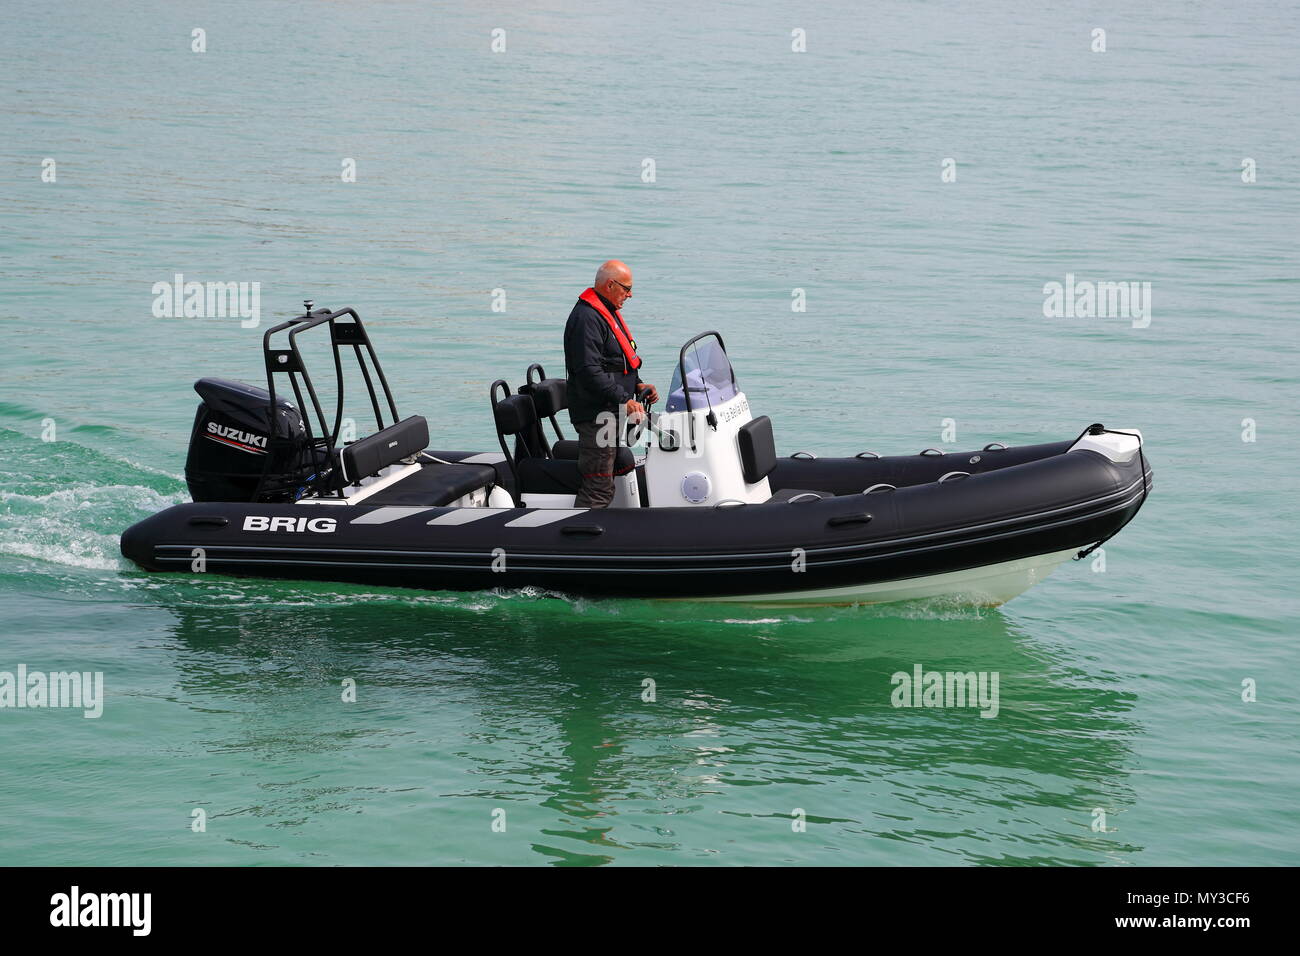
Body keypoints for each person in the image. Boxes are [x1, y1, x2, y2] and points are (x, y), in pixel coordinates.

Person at [563, 260, 658, 508]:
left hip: (610, 412)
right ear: (610, 284)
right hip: (596, 416)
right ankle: (580, 541)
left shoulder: (605, 313)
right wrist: (623, 399)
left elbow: (617, 362)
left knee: (608, 479)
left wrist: (637, 385)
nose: (630, 294)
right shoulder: (587, 318)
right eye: (626, 288)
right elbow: (589, 371)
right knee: (598, 487)